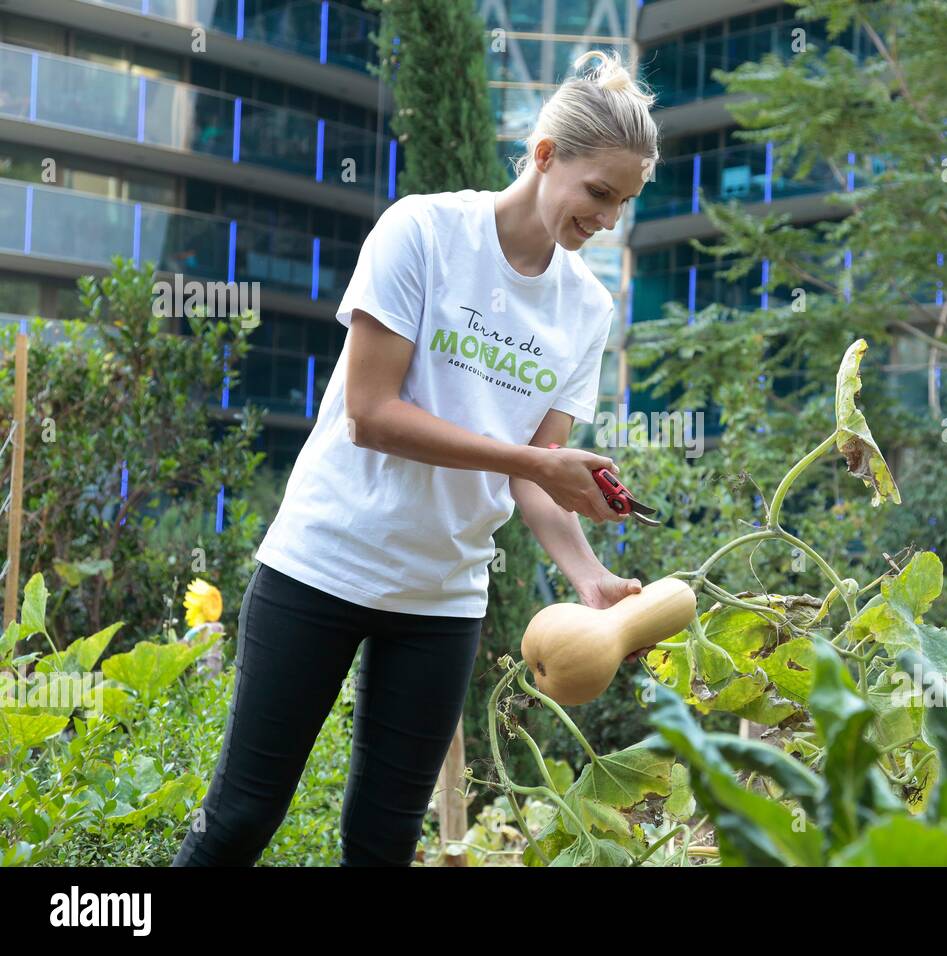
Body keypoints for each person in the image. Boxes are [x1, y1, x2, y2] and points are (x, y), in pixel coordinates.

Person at [171, 49, 661, 867]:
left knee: (385, 841)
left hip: (443, 600)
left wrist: (589, 581)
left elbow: (536, 469)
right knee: (242, 819)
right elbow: (370, 414)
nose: (607, 218)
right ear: (545, 157)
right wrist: (540, 464)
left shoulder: (586, 306)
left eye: (625, 204)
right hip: (322, 566)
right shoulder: (423, 231)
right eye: (599, 193)